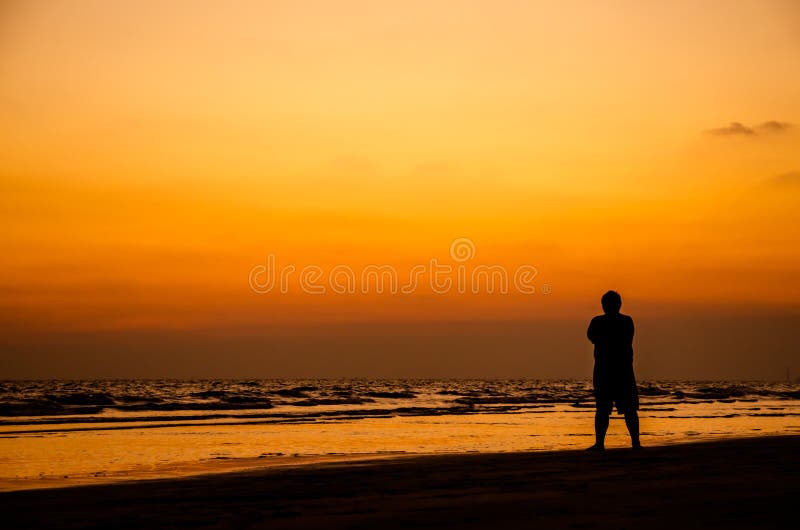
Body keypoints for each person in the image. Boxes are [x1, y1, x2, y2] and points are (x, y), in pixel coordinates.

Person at [586, 290, 640, 450]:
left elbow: (594, 338)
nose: (608, 306)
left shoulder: (619, 321)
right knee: (608, 408)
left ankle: (630, 443)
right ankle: (629, 443)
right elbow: (592, 337)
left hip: (615, 371)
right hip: (613, 371)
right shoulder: (623, 321)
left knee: (617, 409)